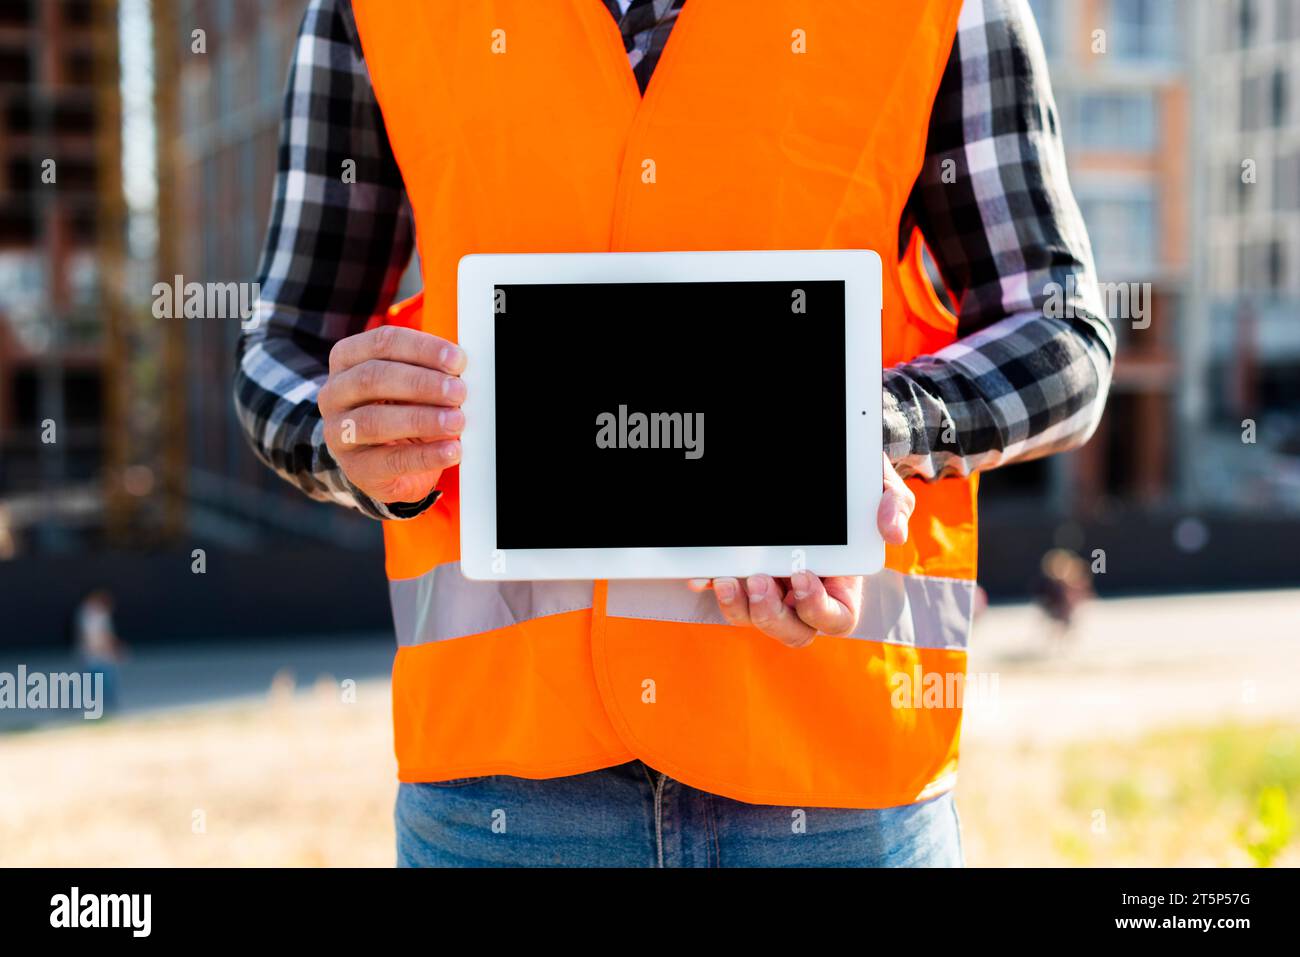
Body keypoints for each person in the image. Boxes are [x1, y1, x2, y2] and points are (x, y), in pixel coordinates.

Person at [236, 0, 1114, 867]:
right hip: (503, 786)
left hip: (836, 775)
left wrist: (865, 426)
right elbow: (282, 346)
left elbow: (1062, 332)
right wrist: (350, 432)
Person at [74, 589, 124, 712]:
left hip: (101, 654)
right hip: (93, 654)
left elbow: (106, 635)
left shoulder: (99, 616)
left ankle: (108, 704)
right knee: (96, 679)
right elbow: (92, 636)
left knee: (104, 679)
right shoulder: (88, 615)